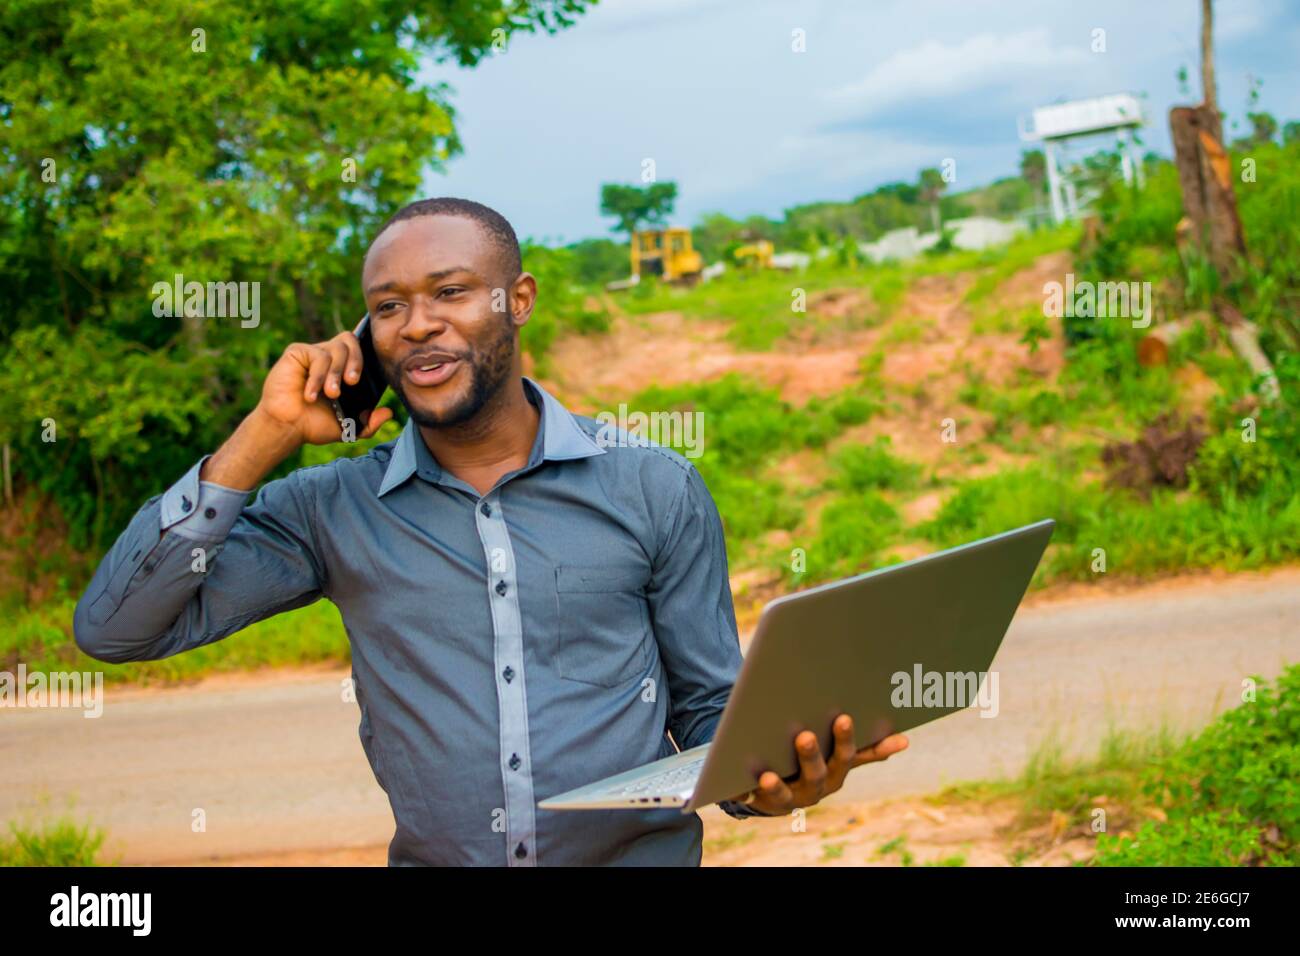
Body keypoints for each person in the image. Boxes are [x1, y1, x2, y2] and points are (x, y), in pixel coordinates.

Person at [74, 197, 908, 865]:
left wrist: (766, 782)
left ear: (519, 299)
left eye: (450, 291)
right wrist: (268, 431)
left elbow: (708, 711)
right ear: (367, 339)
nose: (418, 324)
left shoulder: (655, 487)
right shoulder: (330, 509)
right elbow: (115, 630)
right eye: (388, 307)